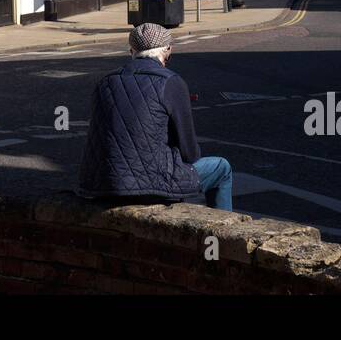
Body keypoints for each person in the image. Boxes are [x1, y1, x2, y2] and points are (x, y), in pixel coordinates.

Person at [79, 23, 233, 211]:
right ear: (168, 49)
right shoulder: (170, 81)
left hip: (100, 183)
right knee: (222, 168)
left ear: (131, 51)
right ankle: (221, 233)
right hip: (152, 186)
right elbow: (190, 153)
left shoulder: (105, 82)